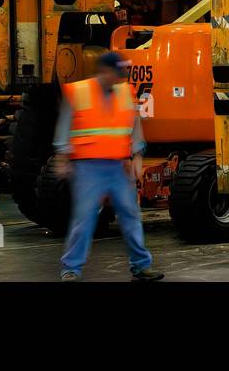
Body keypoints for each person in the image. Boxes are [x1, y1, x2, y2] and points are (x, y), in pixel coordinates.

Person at [53, 51, 163, 281]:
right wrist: (62, 157)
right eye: (117, 73)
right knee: (84, 219)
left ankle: (141, 266)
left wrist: (137, 156)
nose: (120, 79)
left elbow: (134, 126)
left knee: (131, 215)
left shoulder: (125, 91)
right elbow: (65, 126)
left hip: (117, 167)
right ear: (105, 71)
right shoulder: (79, 92)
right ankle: (71, 269)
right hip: (88, 167)